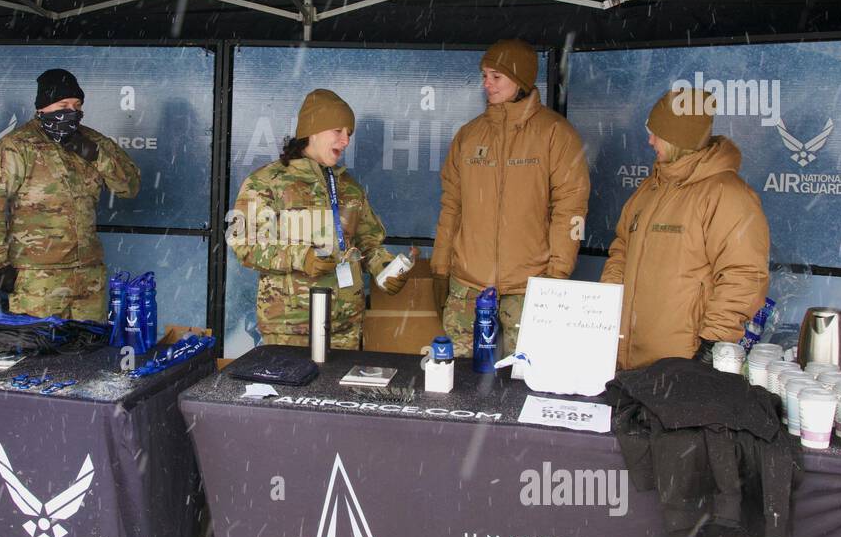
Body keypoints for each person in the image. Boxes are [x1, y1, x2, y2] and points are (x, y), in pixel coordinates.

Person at [431, 39, 590, 356]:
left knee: (525, 381)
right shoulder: (469, 134)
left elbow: (570, 208)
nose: (486, 83)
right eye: (484, 75)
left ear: (520, 79)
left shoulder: (555, 134)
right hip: (468, 286)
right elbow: (452, 205)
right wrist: (441, 265)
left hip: (529, 288)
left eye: (496, 76)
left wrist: (555, 277)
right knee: (458, 380)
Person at [601, 88, 770, 370]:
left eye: (657, 133)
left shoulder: (727, 195)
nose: (650, 140)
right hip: (626, 357)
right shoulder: (651, 187)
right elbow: (621, 249)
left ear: (678, 139)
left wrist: (712, 344)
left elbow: (743, 276)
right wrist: (606, 302)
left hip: (682, 362)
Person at [231, 89, 410, 347]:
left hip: (345, 329)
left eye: (349, 133)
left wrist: (385, 267)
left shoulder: (348, 186)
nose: (346, 140)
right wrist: (301, 257)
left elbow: (367, 243)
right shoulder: (267, 182)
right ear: (312, 130)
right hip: (289, 330)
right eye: (338, 131)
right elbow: (243, 243)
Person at [0, 68, 140, 319]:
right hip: (36, 278)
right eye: (62, 104)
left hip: (88, 274)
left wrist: (96, 156)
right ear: (43, 107)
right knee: (39, 351)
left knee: (90, 350)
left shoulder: (93, 141)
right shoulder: (18, 146)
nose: (70, 111)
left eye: (76, 104)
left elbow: (130, 188)